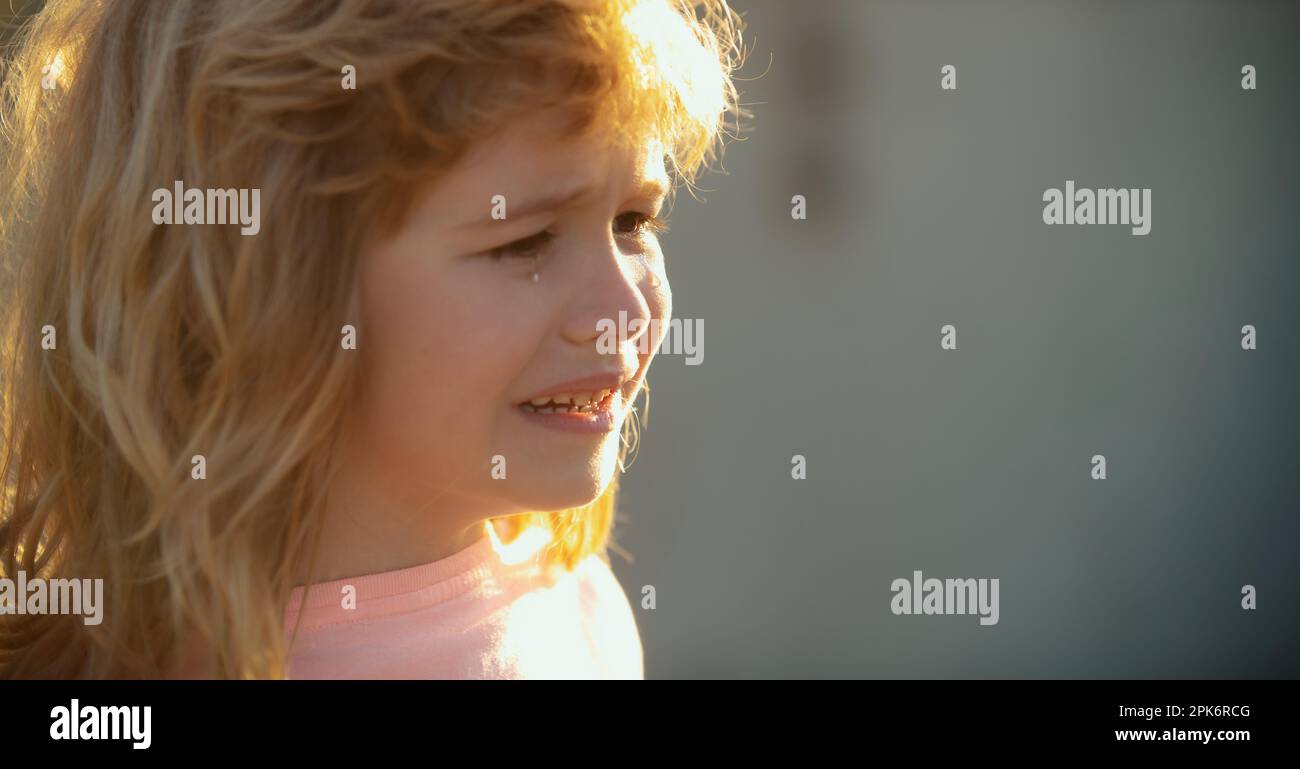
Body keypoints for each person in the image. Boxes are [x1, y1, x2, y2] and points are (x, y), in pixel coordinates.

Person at [0, 0, 745, 678]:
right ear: (273, 287)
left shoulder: (580, 605)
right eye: (527, 242)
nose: (621, 307)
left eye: (634, 222)